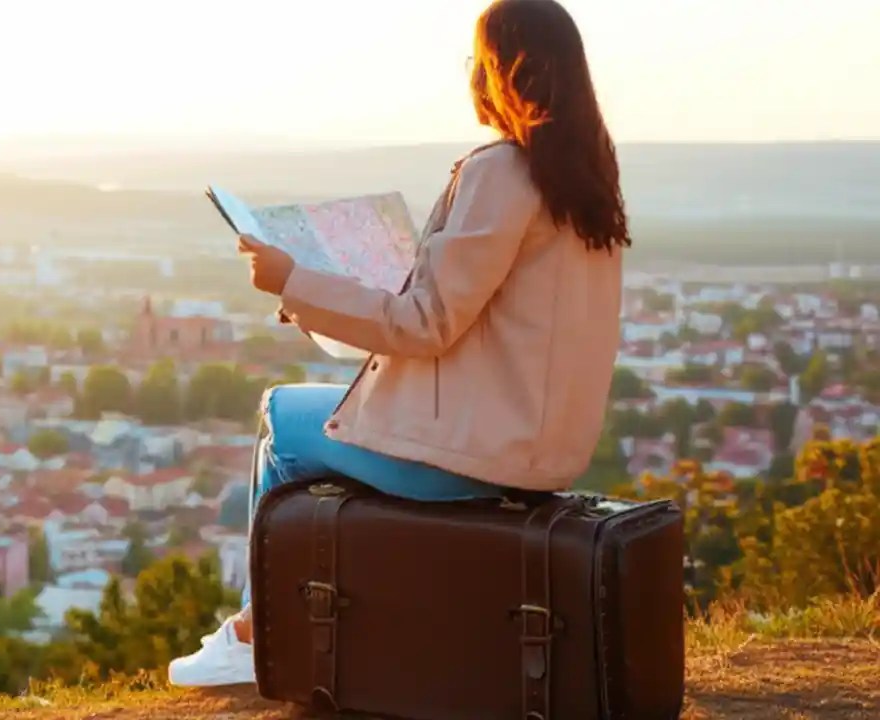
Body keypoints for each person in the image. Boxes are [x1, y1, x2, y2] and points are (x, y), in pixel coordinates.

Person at [168, 0, 629, 687]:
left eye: (478, 60)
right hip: (540, 451)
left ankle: (257, 631)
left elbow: (426, 324)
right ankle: (295, 620)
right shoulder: (586, 178)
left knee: (281, 420)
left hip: (474, 454)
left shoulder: (502, 171)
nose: (470, 73)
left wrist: (295, 278)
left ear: (505, 71)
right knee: (303, 416)